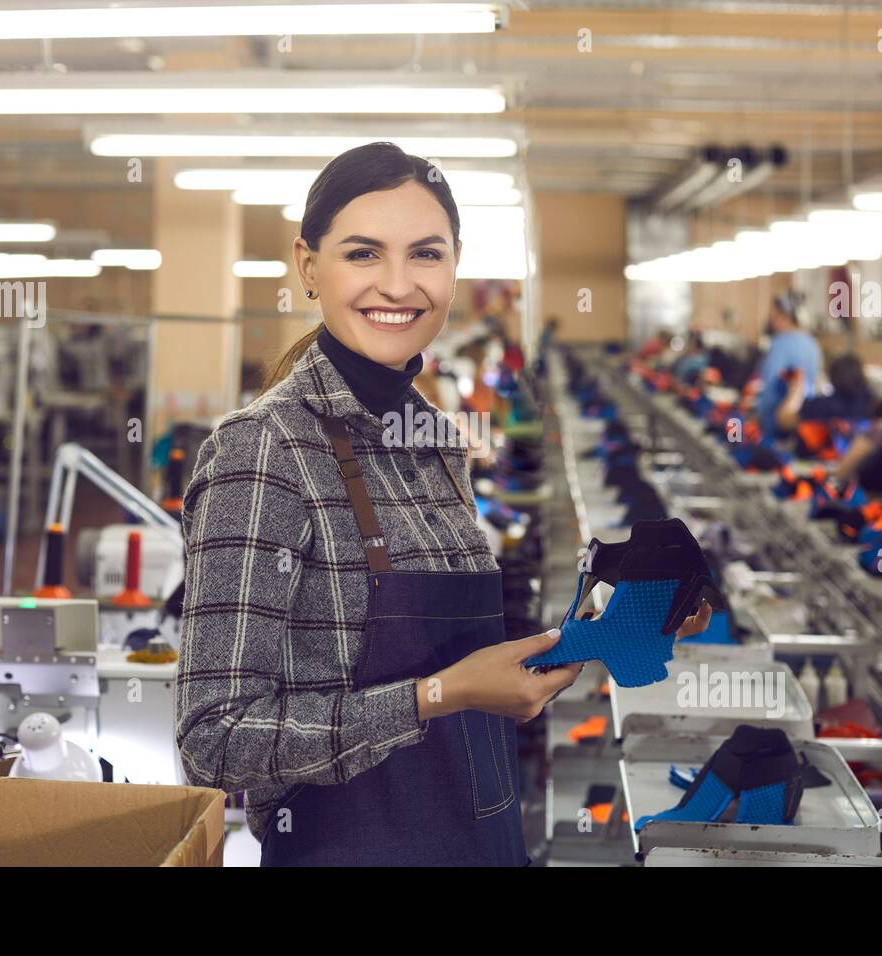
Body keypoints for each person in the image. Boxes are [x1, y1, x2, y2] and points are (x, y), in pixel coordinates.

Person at [173, 141, 712, 867]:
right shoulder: (264, 452)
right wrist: (434, 695)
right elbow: (215, 741)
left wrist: (606, 631)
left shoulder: (436, 441)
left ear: (455, 264)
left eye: (425, 254)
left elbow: (471, 673)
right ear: (308, 266)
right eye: (363, 254)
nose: (398, 285)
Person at [753, 292, 822, 436]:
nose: (771, 319)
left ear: (786, 317)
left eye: (775, 314)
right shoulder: (812, 343)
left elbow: (770, 386)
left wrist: (758, 417)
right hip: (800, 421)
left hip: (775, 422)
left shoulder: (781, 344)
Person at [774, 353, 874, 434]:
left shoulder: (821, 406)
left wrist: (796, 388)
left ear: (832, 377)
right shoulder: (874, 406)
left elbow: (785, 421)